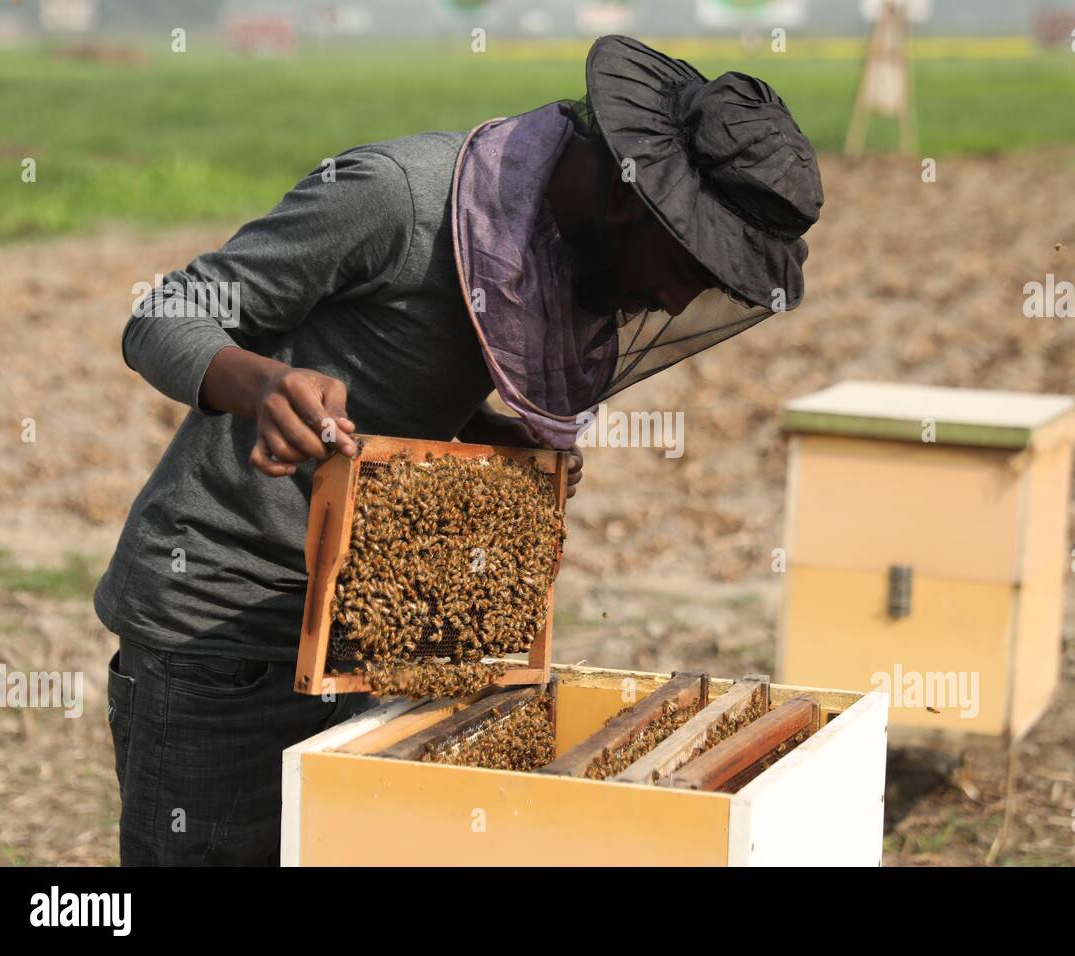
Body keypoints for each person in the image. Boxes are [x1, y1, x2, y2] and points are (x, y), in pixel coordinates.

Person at [99, 35, 824, 865]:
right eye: (687, 265)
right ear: (632, 201)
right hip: (220, 637)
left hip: (363, 641)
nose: (674, 297)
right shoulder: (394, 199)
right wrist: (259, 385)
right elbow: (161, 315)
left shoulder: (556, 261)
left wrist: (486, 440)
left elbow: (399, 384)